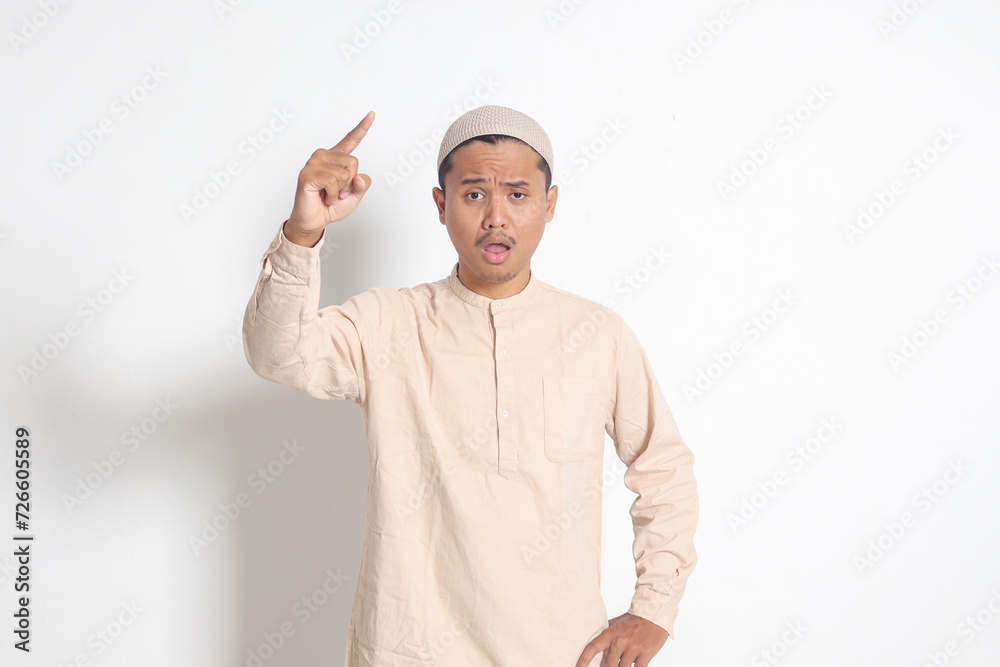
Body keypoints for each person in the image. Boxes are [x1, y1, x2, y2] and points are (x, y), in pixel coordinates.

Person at [242, 104, 698, 667]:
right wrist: (303, 231)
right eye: (475, 194)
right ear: (441, 205)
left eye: (518, 194)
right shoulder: (389, 323)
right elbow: (276, 354)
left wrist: (654, 609)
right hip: (405, 651)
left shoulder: (595, 334)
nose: (496, 218)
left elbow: (663, 469)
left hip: (561, 651)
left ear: (549, 205)